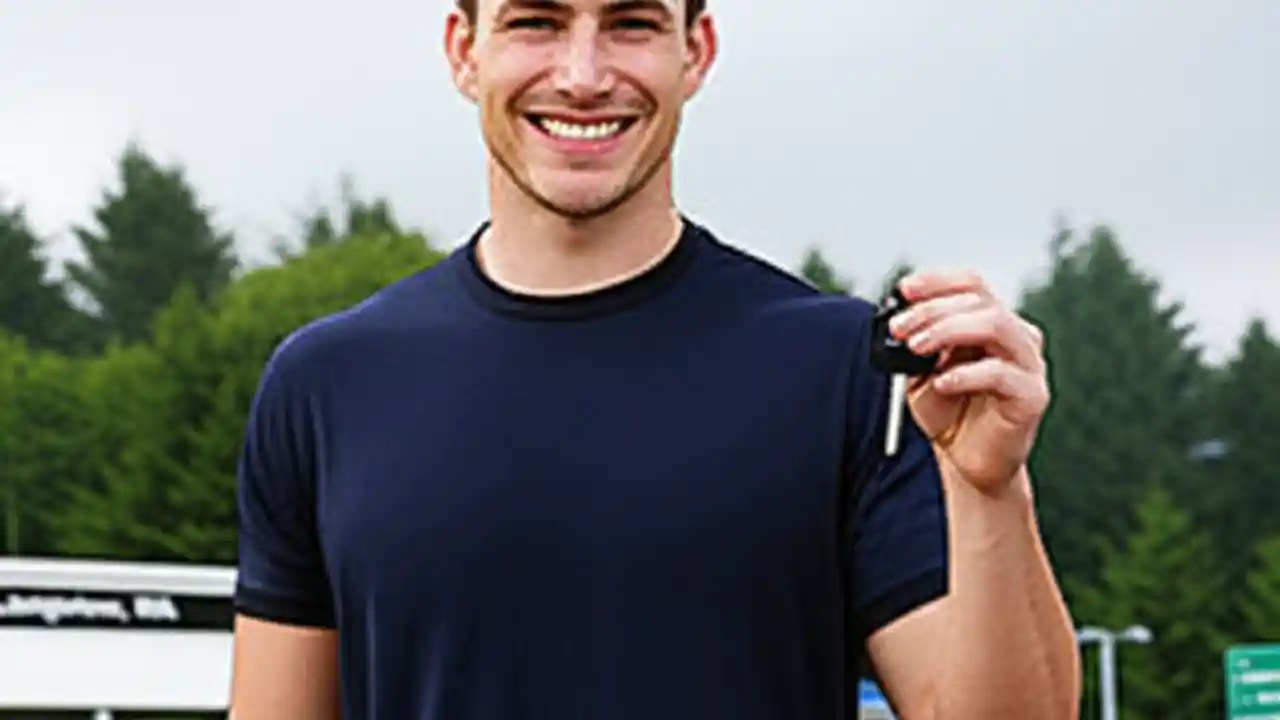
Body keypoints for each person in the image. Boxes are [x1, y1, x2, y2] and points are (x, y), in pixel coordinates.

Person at [228, 0, 1082, 718]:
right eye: (537, 21)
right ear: (464, 49)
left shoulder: (845, 372)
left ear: (695, 51)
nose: (583, 74)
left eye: (630, 23)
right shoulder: (327, 387)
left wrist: (990, 492)